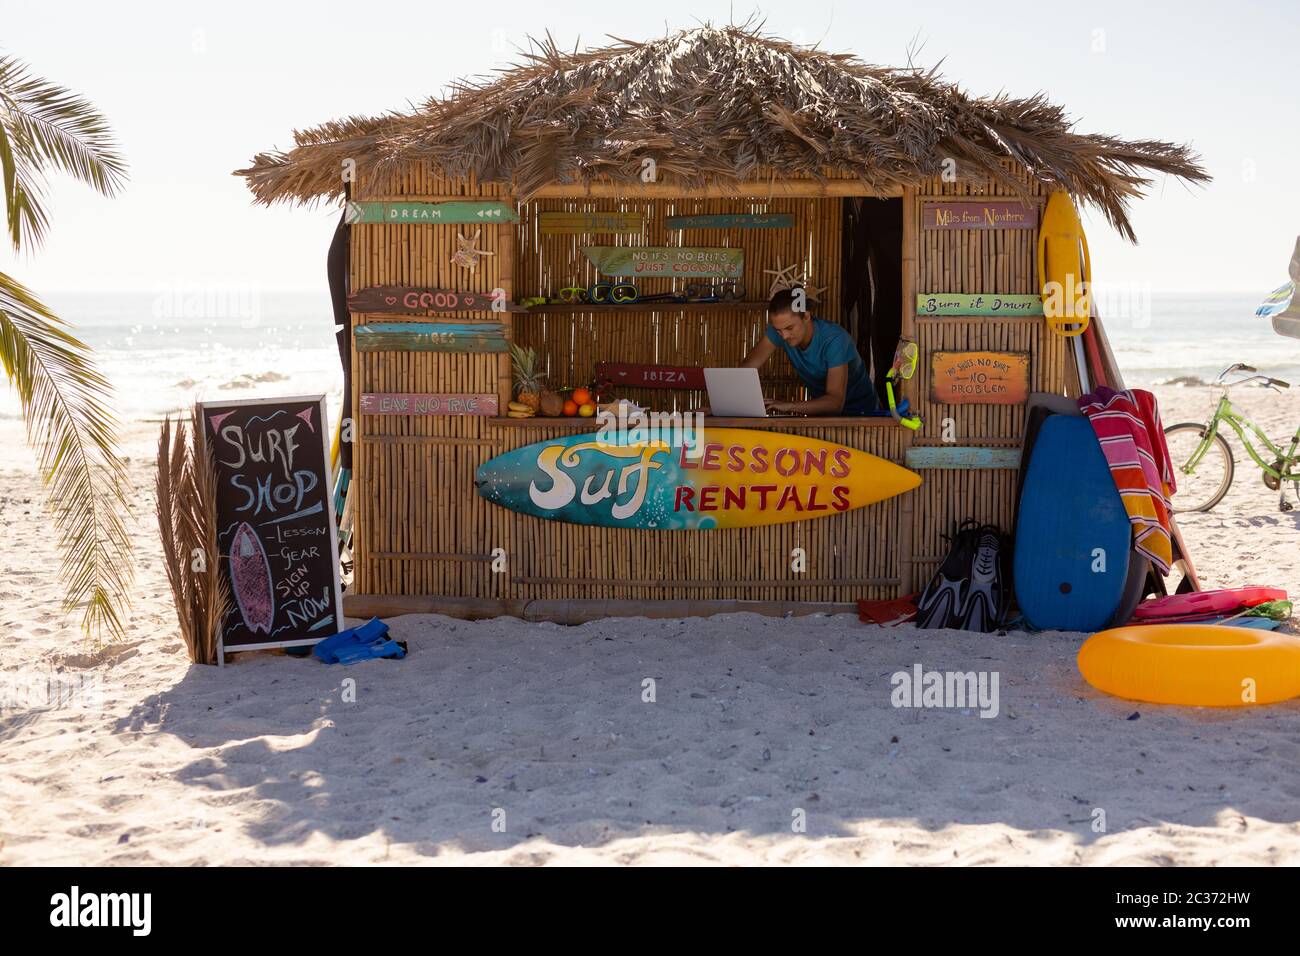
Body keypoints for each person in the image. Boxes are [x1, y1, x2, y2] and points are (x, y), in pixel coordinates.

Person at [742, 288, 878, 415]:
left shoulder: (835, 339)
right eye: (778, 330)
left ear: (806, 316)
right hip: (822, 416)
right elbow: (745, 370)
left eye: (789, 328)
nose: (784, 336)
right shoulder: (780, 330)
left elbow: (835, 402)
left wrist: (789, 406)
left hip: (864, 415)